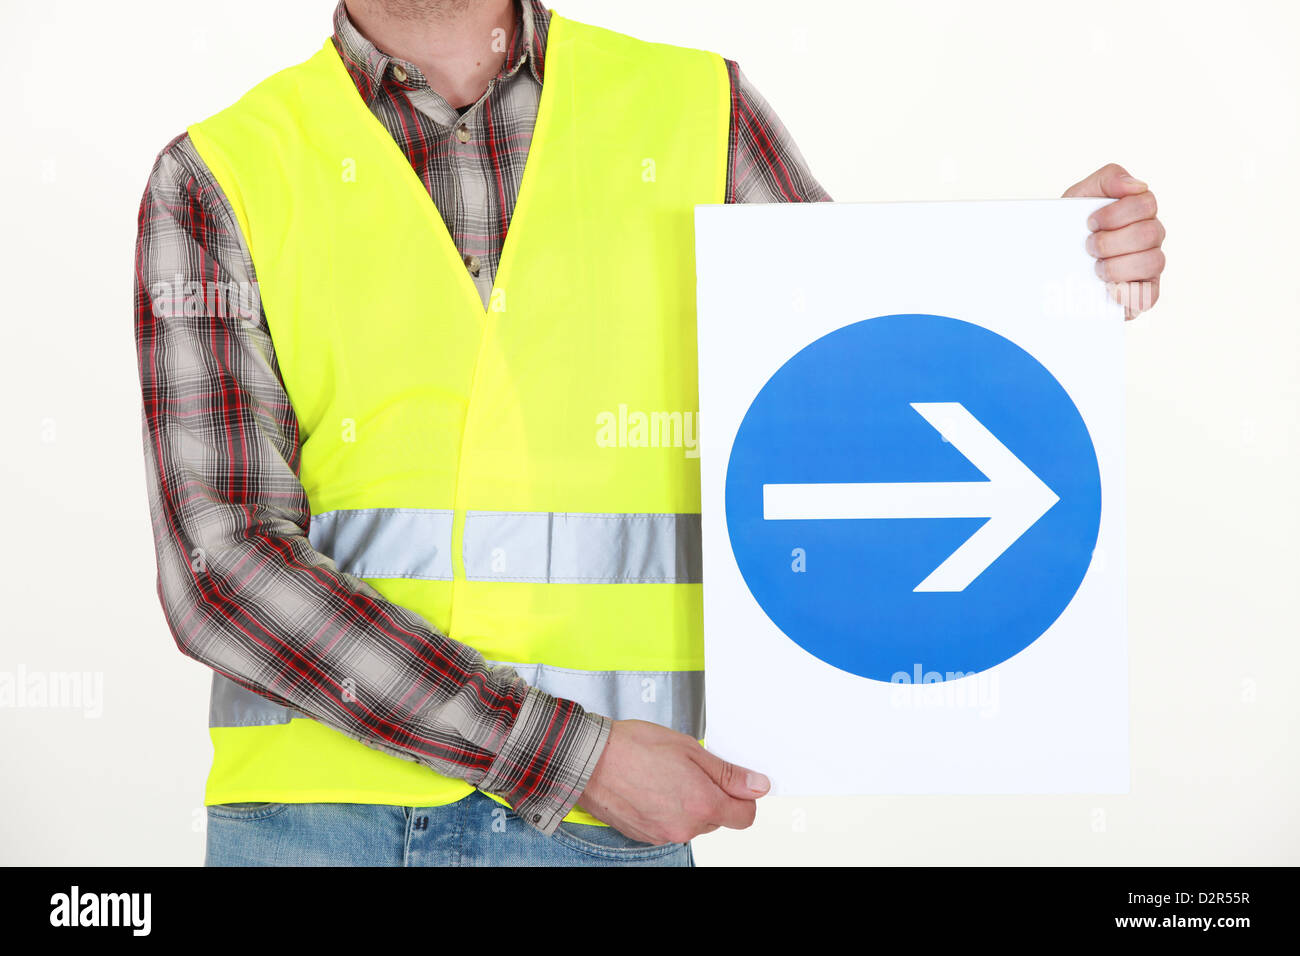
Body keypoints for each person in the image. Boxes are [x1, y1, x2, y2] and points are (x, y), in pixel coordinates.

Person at [133, 0, 1166, 868]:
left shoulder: (696, 111)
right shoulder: (222, 171)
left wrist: (1042, 277)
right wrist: (567, 756)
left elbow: (854, 391)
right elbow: (217, 567)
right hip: (325, 828)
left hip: (608, 835)